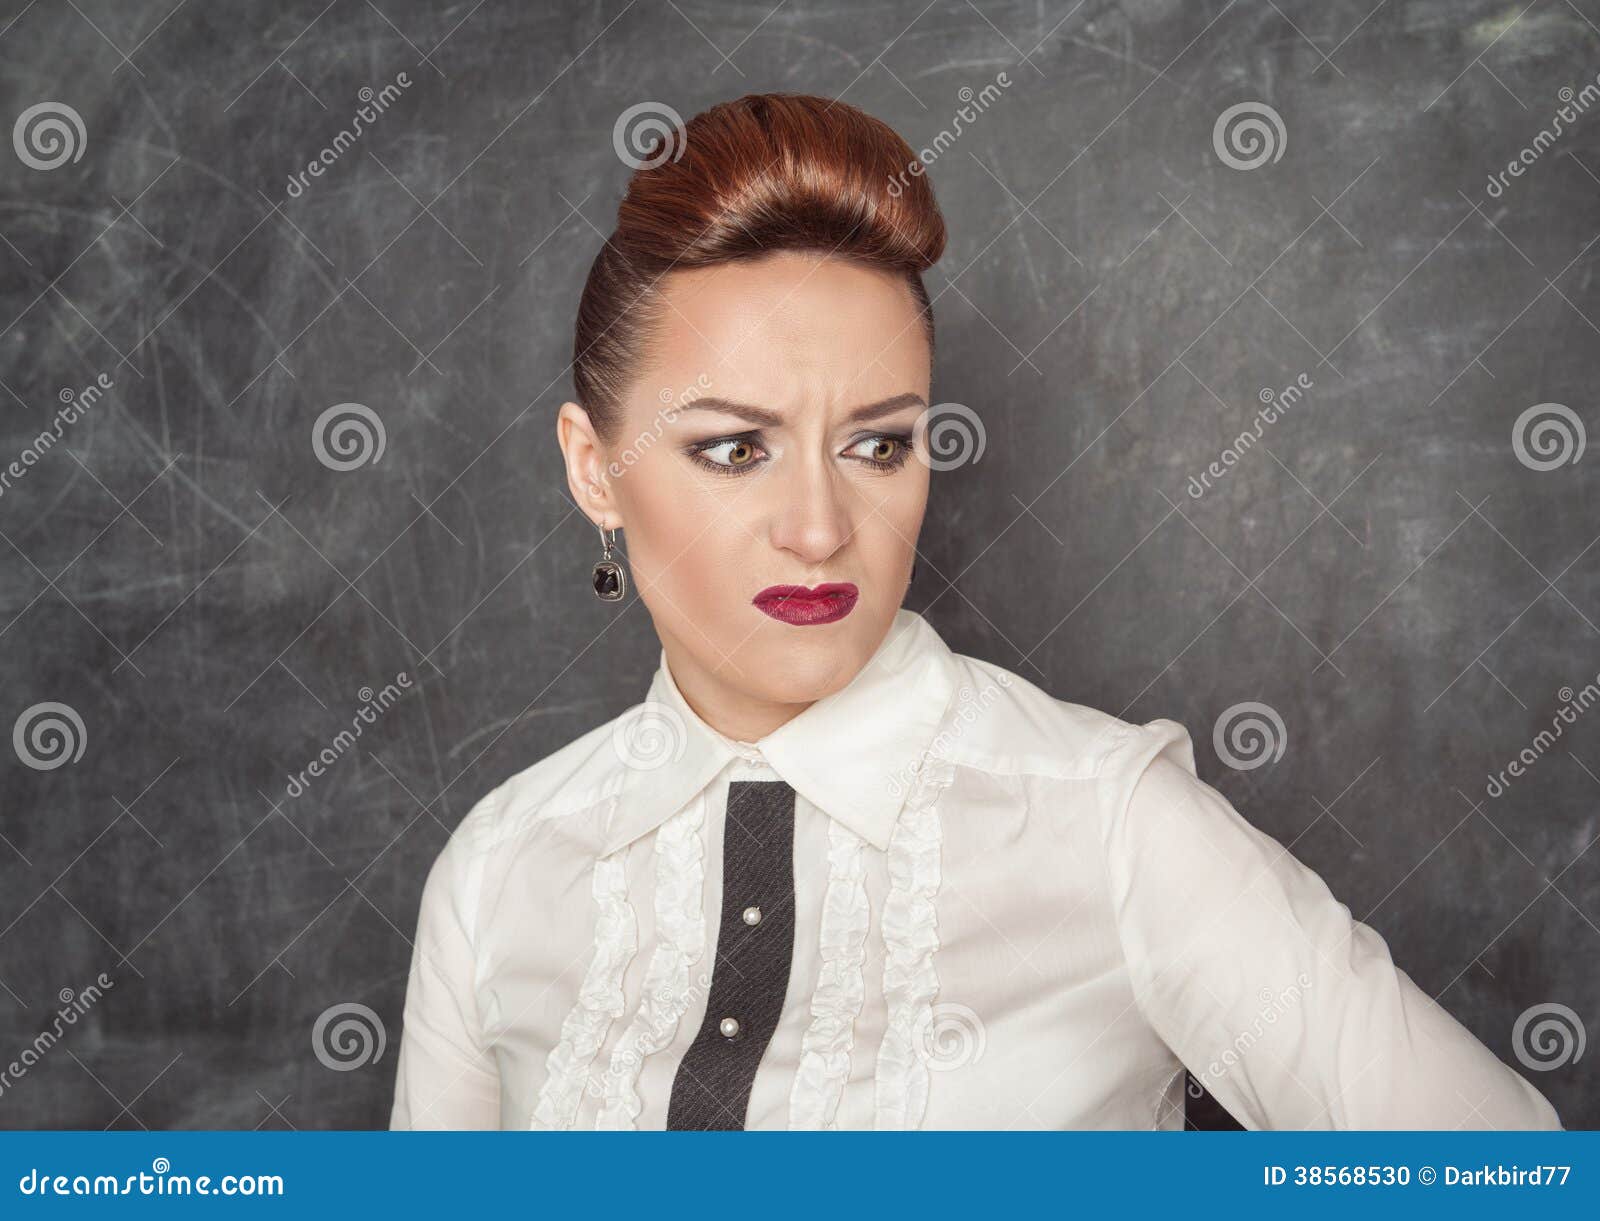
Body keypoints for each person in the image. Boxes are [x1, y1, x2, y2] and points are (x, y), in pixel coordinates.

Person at [388, 92, 1562, 1131]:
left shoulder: (1111, 826)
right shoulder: (500, 871)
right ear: (596, 469)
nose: (818, 525)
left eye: (878, 444)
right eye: (735, 447)